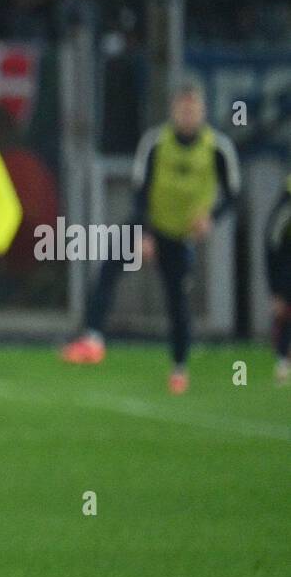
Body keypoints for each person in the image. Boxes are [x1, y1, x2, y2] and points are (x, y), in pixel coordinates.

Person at [61, 82, 241, 394]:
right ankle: (93, 338)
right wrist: (143, 233)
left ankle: (179, 368)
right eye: (182, 108)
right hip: (149, 224)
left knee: (177, 302)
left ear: (202, 111)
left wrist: (211, 218)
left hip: (180, 236)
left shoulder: (217, 148)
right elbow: (140, 190)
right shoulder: (157, 142)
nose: (187, 114)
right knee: (109, 265)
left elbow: (233, 194)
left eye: (193, 108)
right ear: (174, 110)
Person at [266, 172, 291, 385]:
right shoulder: (285, 209)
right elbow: (272, 245)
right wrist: (275, 290)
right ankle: (282, 362)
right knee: (284, 315)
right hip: (286, 272)